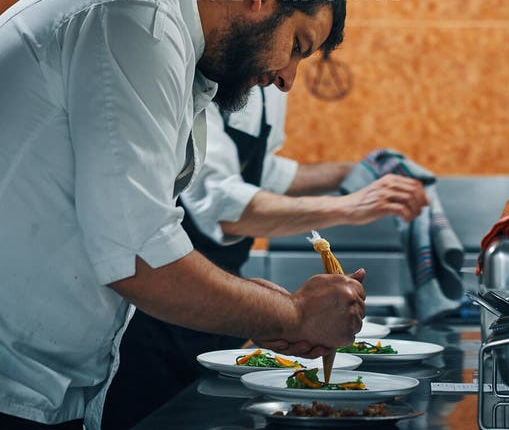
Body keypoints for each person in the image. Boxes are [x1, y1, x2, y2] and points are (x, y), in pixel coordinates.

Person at [0, 0, 367, 430]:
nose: (287, 79)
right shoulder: (135, 15)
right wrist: (293, 315)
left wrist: (268, 305)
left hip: (42, 388)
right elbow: (139, 254)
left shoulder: (168, 35)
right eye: (297, 45)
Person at [103, 85, 427, 428]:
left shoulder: (270, 86)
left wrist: (354, 173)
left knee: (213, 414)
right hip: (159, 307)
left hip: (223, 304)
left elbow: (264, 174)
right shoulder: (196, 79)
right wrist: (348, 207)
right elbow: (221, 205)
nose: (288, 78)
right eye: (297, 53)